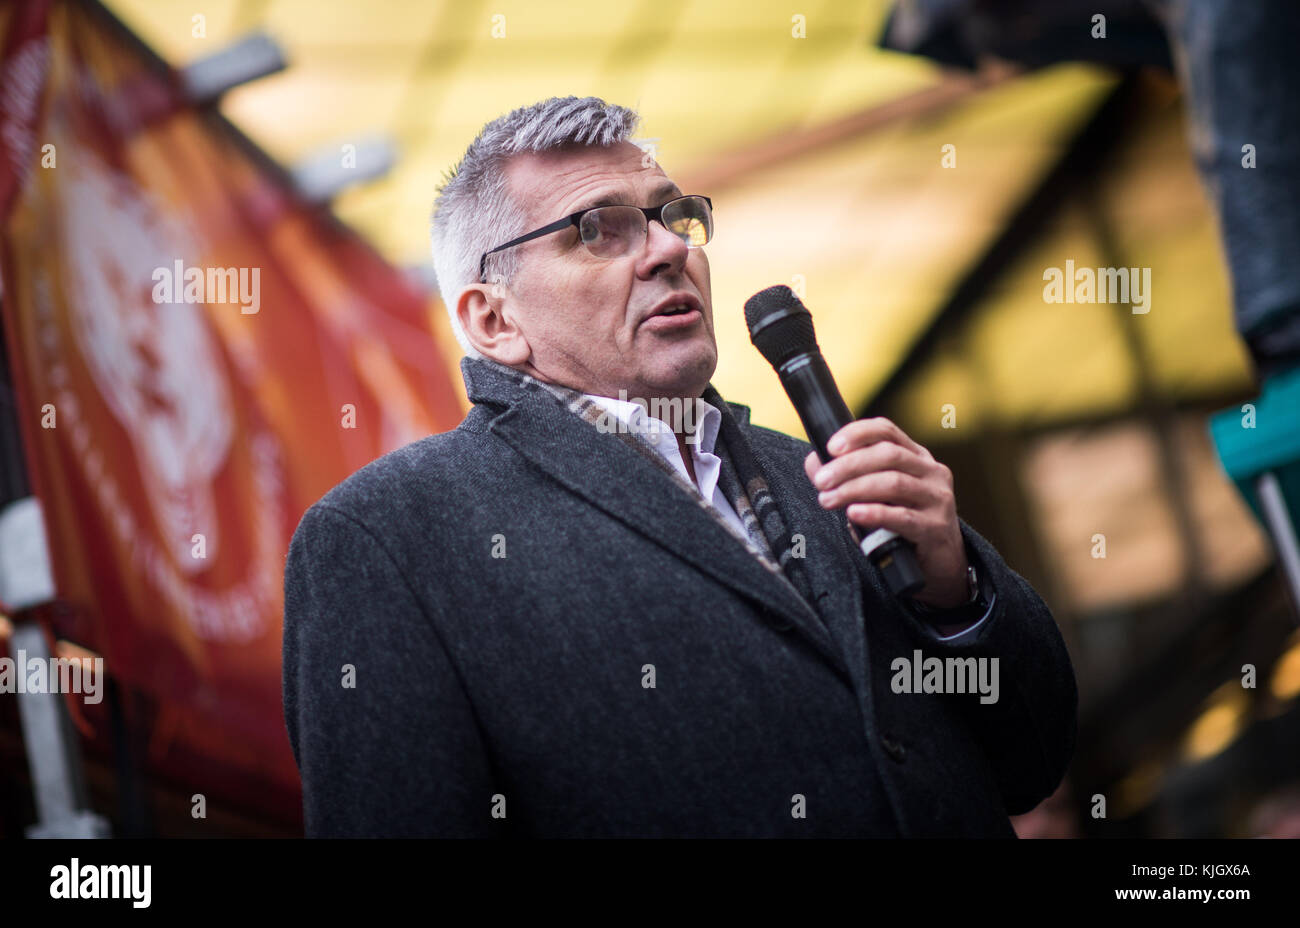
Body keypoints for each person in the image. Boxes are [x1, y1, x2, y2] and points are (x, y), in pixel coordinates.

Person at [281, 95, 1076, 837]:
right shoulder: (391, 535)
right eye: (598, 229)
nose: (666, 249)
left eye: (673, 216)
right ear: (494, 318)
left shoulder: (828, 475)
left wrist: (958, 597)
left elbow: (1030, 767)